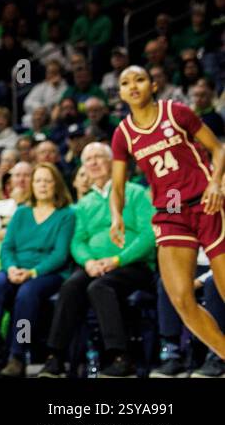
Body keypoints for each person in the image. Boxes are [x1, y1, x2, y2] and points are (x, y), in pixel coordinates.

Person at [109, 65, 225, 371]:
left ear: (153, 86)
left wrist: (215, 182)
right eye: (125, 82)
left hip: (206, 202)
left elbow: (218, 149)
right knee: (182, 300)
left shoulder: (177, 112)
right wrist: (115, 216)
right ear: (120, 92)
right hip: (171, 210)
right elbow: (117, 186)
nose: (133, 86)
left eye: (139, 79)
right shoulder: (123, 134)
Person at [36, 142, 155, 378]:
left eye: (99, 157)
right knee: (70, 286)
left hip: (132, 265)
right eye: (88, 159)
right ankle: (55, 358)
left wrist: (117, 260)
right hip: (96, 265)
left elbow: (149, 235)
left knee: (99, 287)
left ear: (112, 162)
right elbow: (77, 241)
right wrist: (88, 262)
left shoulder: (134, 192)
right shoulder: (85, 203)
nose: (93, 162)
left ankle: (120, 357)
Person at [0, 162, 75, 377]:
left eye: (47, 181)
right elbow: (7, 247)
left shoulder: (65, 215)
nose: (42, 185)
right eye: (38, 180)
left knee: (27, 294)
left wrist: (32, 273)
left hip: (47, 273)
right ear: (32, 185)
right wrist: (11, 267)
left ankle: (18, 354)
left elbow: (59, 255)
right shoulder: (21, 213)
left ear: (57, 185)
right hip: (15, 268)